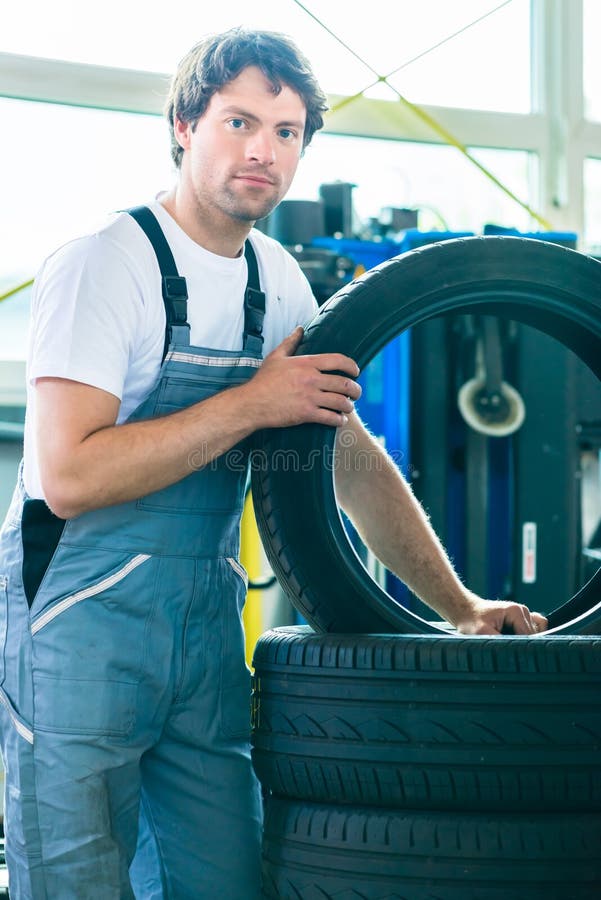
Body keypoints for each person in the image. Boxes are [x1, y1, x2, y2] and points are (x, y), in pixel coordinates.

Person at [0, 26, 547, 899]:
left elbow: (346, 458)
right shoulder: (108, 263)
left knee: (224, 876)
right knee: (75, 878)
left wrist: (461, 607)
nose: (263, 151)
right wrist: (252, 403)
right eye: (239, 122)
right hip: (76, 626)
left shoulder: (276, 279)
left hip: (202, 626)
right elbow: (68, 477)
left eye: (286, 132)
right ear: (184, 124)